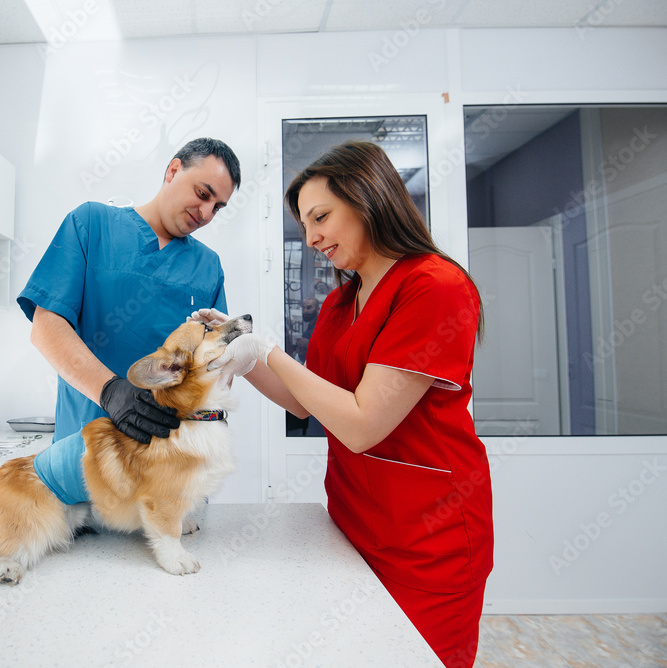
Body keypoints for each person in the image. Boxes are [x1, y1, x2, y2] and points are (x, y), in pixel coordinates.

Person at [197, 141, 492, 668]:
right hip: (355, 520)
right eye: (305, 224)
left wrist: (266, 349)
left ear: (368, 198)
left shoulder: (434, 287)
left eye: (321, 217)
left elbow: (361, 425)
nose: (310, 238)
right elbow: (307, 403)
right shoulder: (340, 302)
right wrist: (241, 349)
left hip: (430, 536)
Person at [17, 138, 241, 505]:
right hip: (88, 462)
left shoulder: (208, 266)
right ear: (173, 170)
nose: (205, 212)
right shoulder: (91, 224)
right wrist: (110, 391)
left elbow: (213, 366)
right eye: (202, 193)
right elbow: (45, 327)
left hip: (171, 475)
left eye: (217, 207)